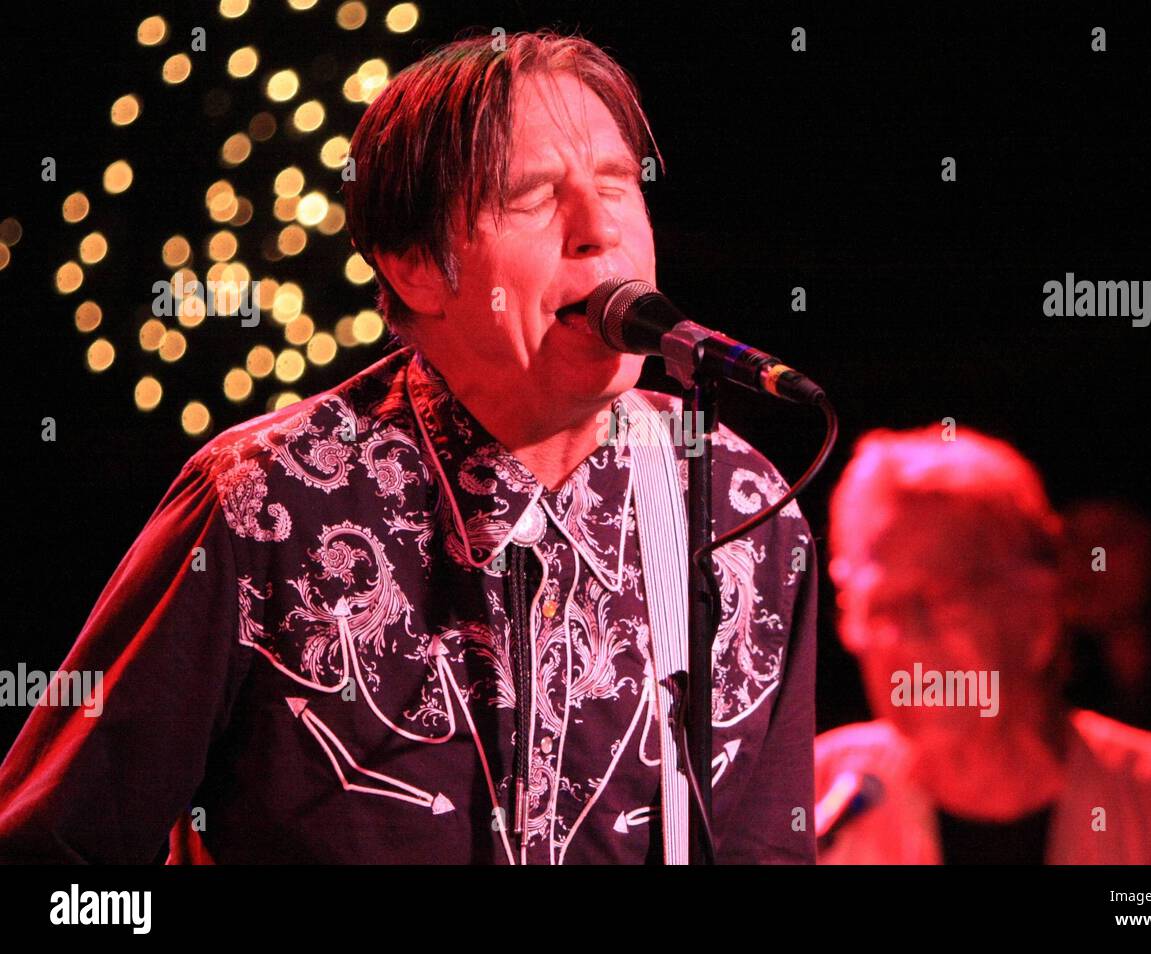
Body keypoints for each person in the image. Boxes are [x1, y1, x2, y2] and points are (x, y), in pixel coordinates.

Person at [0, 30, 817, 864]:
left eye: (617, 185)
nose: (598, 229)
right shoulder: (266, 499)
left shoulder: (741, 503)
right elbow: (54, 853)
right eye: (533, 198)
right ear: (416, 265)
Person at [815, 424, 1151, 864]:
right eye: (878, 607)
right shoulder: (805, 799)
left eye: (942, 598)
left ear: (1038, 613)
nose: (906, 638)